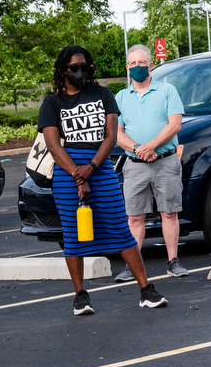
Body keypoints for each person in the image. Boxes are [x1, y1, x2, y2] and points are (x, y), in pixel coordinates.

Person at [38, 45, 167, 315]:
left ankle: (146, 290)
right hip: (67, 173)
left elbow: (110, 136)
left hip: (100, 169)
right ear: (63, 70)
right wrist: (77, 175)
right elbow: (53, 144)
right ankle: (80, 296)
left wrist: (92, 167)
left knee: (121, 228)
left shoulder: (102, 93)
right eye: (74, 68)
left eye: (85, 67)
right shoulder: (52, 102)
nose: (80, 72)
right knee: (73, 236)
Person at [113, 44, 186, 281]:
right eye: (132, 64)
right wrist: (137, 148)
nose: (137, 67)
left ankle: (173, 261)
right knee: (134, 217)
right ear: (127, 67)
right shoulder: (121, 97)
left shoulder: (167, 91)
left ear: (151, 65)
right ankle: (132, 265)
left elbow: (175, 124)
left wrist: (152, 145)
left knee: (169, 213)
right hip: (134, 164)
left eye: (141, 63)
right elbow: (116, 132)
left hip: (165, 161)